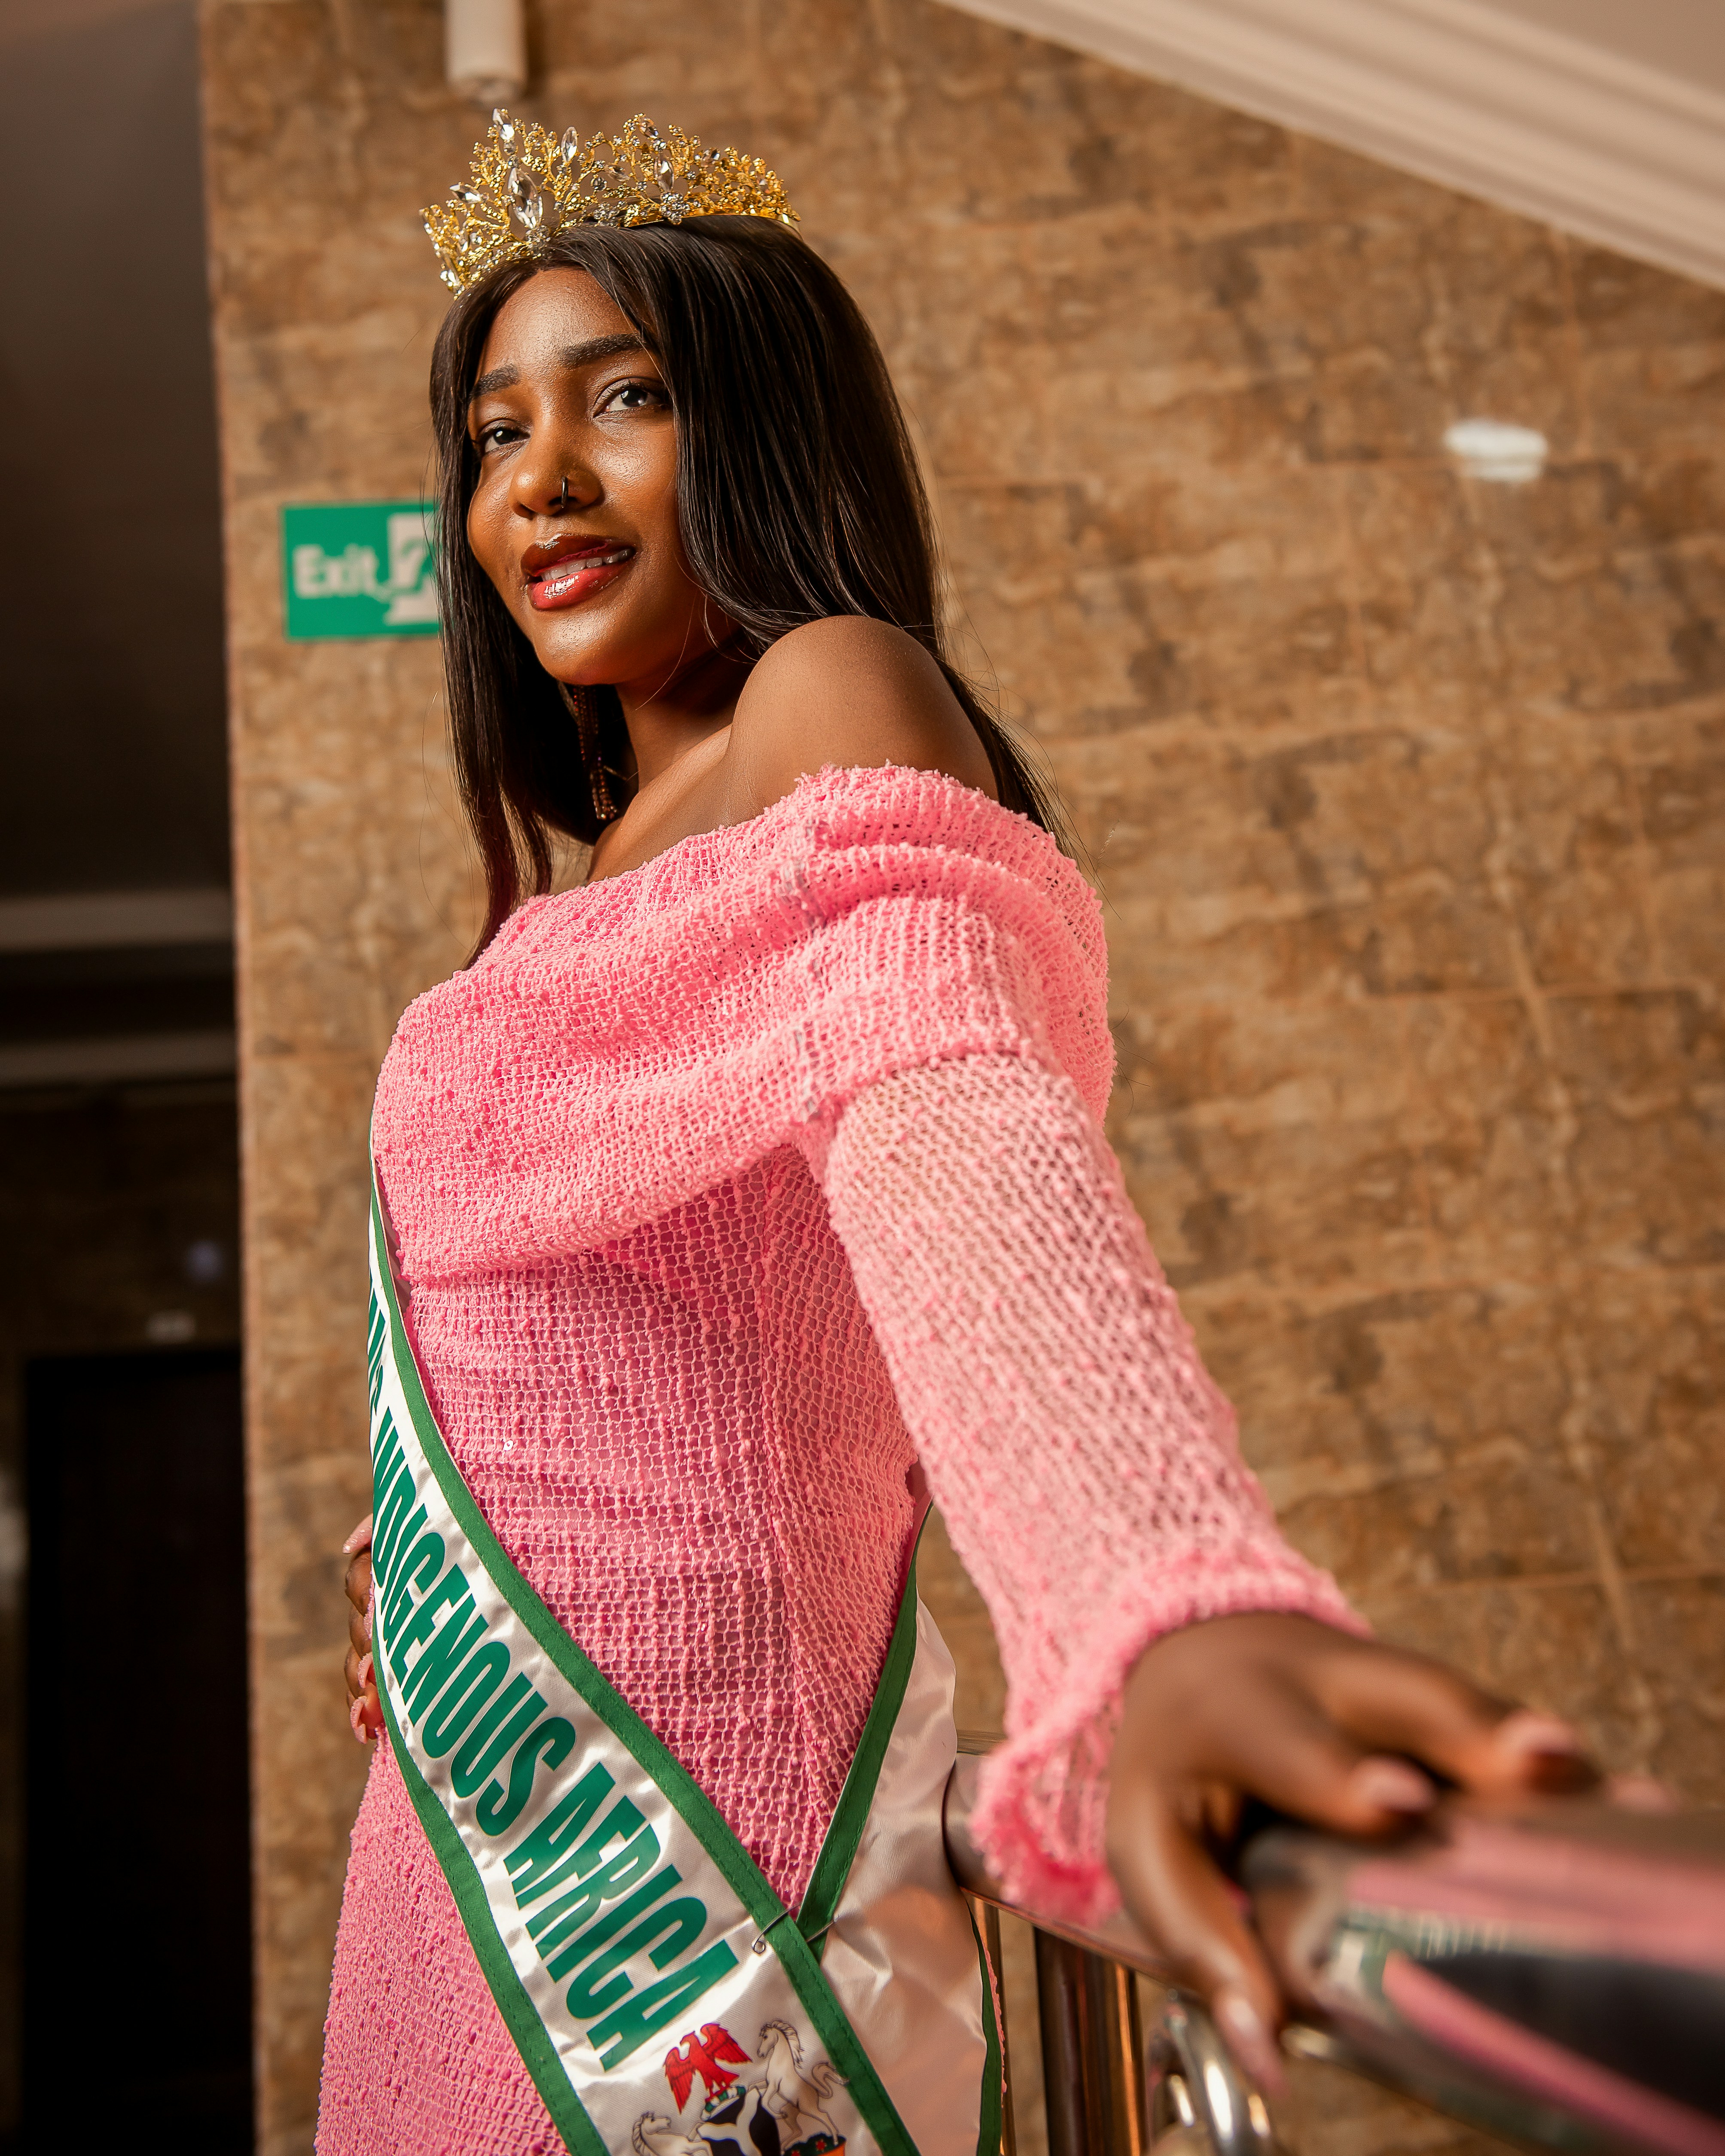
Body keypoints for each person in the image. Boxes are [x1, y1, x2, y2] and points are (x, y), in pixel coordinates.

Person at [321, 112, 1597, 2156]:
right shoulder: (568, 893)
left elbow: (955, 1134)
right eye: (493, 432)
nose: (537, 478)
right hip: (471, 1853)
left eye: (622, 399)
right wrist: (419, 1559)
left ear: (762, 432)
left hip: (686, 1897)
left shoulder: (828, 696)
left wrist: (1161, 1600)